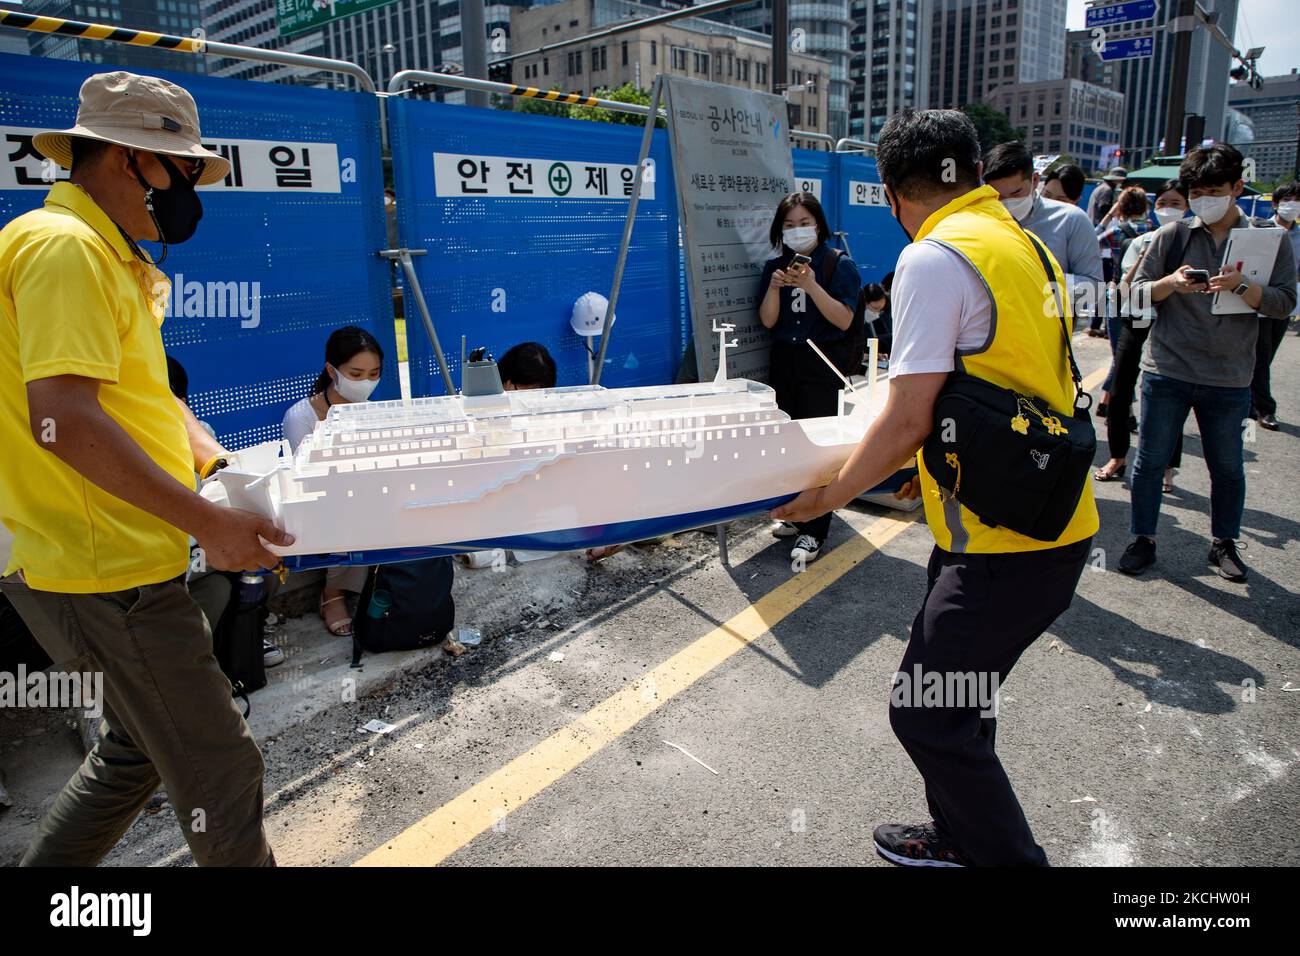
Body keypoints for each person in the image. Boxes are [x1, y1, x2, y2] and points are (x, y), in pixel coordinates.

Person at [775, 108, 1098, 867]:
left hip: (1000, 546)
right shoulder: (1025, 246)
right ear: (975, 171)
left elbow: (908, 415)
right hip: (1045, 518)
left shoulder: (933, 258)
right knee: (960, 700)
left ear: (891, 193)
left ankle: (1009, 861)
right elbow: (1016, 384)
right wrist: (938, 472)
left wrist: (826, 496)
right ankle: (956, 835)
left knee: (926, 715)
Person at [0, 71, 290, 866]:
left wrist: (225, 471)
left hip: (114, 564)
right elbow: (64, 420)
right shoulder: (64, 251)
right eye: (185, 169)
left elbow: (145, 399)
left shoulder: (104, 254)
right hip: (108, 574)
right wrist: (210, 526)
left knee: (134, 751)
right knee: (221, 771)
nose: (192, 188)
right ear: (133, 160)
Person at [1121, 145, 1297, 581]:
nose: (1204, 199)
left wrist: (1242, 288)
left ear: (1237, 188)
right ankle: (1143, 538)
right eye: (1196, 192)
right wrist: (1171, 283)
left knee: (1227, 466)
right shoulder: (1173, 236)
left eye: (1214, 190)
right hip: (1167, 369)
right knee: (1150, 460)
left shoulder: (1267, 241)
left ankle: (1224, 544)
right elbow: (1136, 293)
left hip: (1230, 376)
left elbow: (1285, 303)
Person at [758, 191, 862, 564]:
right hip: (785, 363)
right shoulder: (776, 266)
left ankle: (815, 529)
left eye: (804, 223)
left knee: (817, 450)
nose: (797, 231)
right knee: (788, 444)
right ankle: (795, 514)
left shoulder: (837, 265)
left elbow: (845, 320)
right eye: (788, 226)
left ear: (818, 224)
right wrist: (774, 287)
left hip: (822, 367)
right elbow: (769, 321)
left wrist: (812, 286)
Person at [282, 326, 384, 635]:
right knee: (350, 504)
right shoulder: (302, 416)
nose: (366, 382)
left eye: (374, 373)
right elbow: (305, 480)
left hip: (366, 495)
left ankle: (394, 580)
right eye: (356, 374)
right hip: (320, 503)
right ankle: (333, 593)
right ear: (331, 370)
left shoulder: (373, 412)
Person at [1094, 180, 1188, 490]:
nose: (1167, 209)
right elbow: (1124, 292)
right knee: (1120, 392)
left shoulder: (1194, 244)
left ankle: (1168, 468)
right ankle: (1118, 457)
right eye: (1162, 203)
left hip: (1173, 328)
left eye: (1174, 203)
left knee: (1166, 398)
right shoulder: (1138, 241)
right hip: (1134, 321)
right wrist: (1146, 256)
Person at [982, 142, 1104, 325]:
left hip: (1046, 338)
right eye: (997, 196)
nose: (1006, 203)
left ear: (1035, 180)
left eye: (1016, 193)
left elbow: (1093, 288)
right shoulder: (981, 220)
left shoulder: (1071, 220)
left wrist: (1036, 284)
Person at [1094, 186, 1155, 403]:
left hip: (1119, 294)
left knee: (1120, 352)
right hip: (1146, 297)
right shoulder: (1155, 232)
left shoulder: (1118, 232)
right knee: (1131, 352)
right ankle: (1108, 400)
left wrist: (1109, 216)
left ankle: (1118, 402)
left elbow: (1091, 241)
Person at [1249, 179, 1300, 430]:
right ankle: (1265, 409)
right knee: (1260, 354)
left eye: (1297, 201)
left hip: (1285, 302)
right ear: (1276, 204)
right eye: (1287, 200)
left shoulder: (1299, 236)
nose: (1292, 206)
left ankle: (1249, 398)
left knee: (1266, 356)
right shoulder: (1260, 229)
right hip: (1259, 299)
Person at [863, 282, 890, 359]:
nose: (877, 314)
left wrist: (876, 355)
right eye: (875, 308)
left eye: (880, 310)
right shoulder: (848, 322)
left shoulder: (868, 322)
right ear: (865, 302)